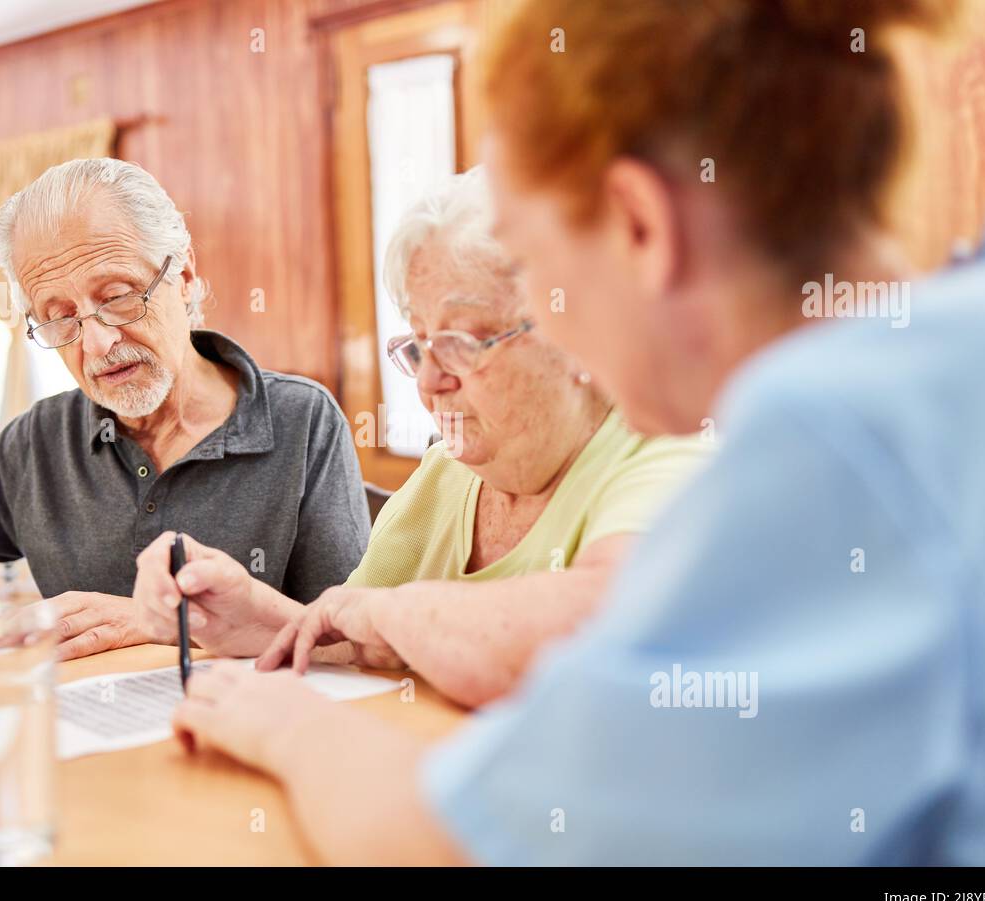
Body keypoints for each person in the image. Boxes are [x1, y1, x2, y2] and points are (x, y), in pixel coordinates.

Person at [167, 0, 985, 865]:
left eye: (542, 265)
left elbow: (452, 844)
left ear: (639, 226)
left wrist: (283, 725)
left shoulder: (824, 438)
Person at [132, 169, 708, 707]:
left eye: (460, 342)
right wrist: (253, 617)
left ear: (578, 331)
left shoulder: (667, 451)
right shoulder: (445, 475)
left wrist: (389, 615)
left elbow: (612, 624)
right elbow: (362, 636)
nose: (431, 382)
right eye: (419, 344)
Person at [0, 159, 368, 664]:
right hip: (87, 763)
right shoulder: (39, 443)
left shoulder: (303, 421)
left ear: (183, 276)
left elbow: (355, 644)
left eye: (116, 298)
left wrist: (174, 626)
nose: (96, 346)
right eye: (59, 316)